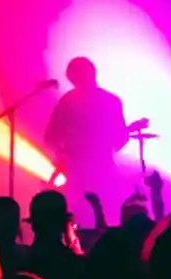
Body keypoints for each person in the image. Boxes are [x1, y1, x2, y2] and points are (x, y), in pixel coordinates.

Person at [45, 57, 132, 214]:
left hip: (80, 168)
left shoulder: (68, 101)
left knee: (79, 212)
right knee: (105, 213)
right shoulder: (111, 100)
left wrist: (63, 156)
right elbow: (122, 138)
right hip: (98, 166)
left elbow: (51, 136)